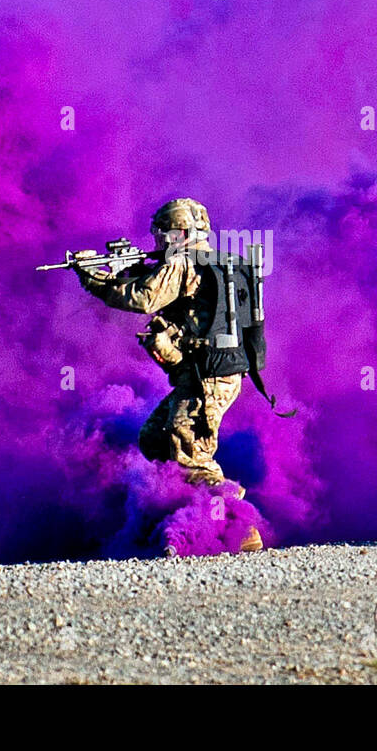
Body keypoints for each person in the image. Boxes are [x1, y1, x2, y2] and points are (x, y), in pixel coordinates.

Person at [74, 198, 263, 552]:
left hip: (207, 377)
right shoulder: (216, 261)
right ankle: (186, 514)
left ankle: (239, 530)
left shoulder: (182, 263)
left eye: (164, 235)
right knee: (155, 439)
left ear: (179, 234)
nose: (159, 243)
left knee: (193, 454)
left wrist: (94, 278)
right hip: (210, 373)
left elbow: (143, 298)